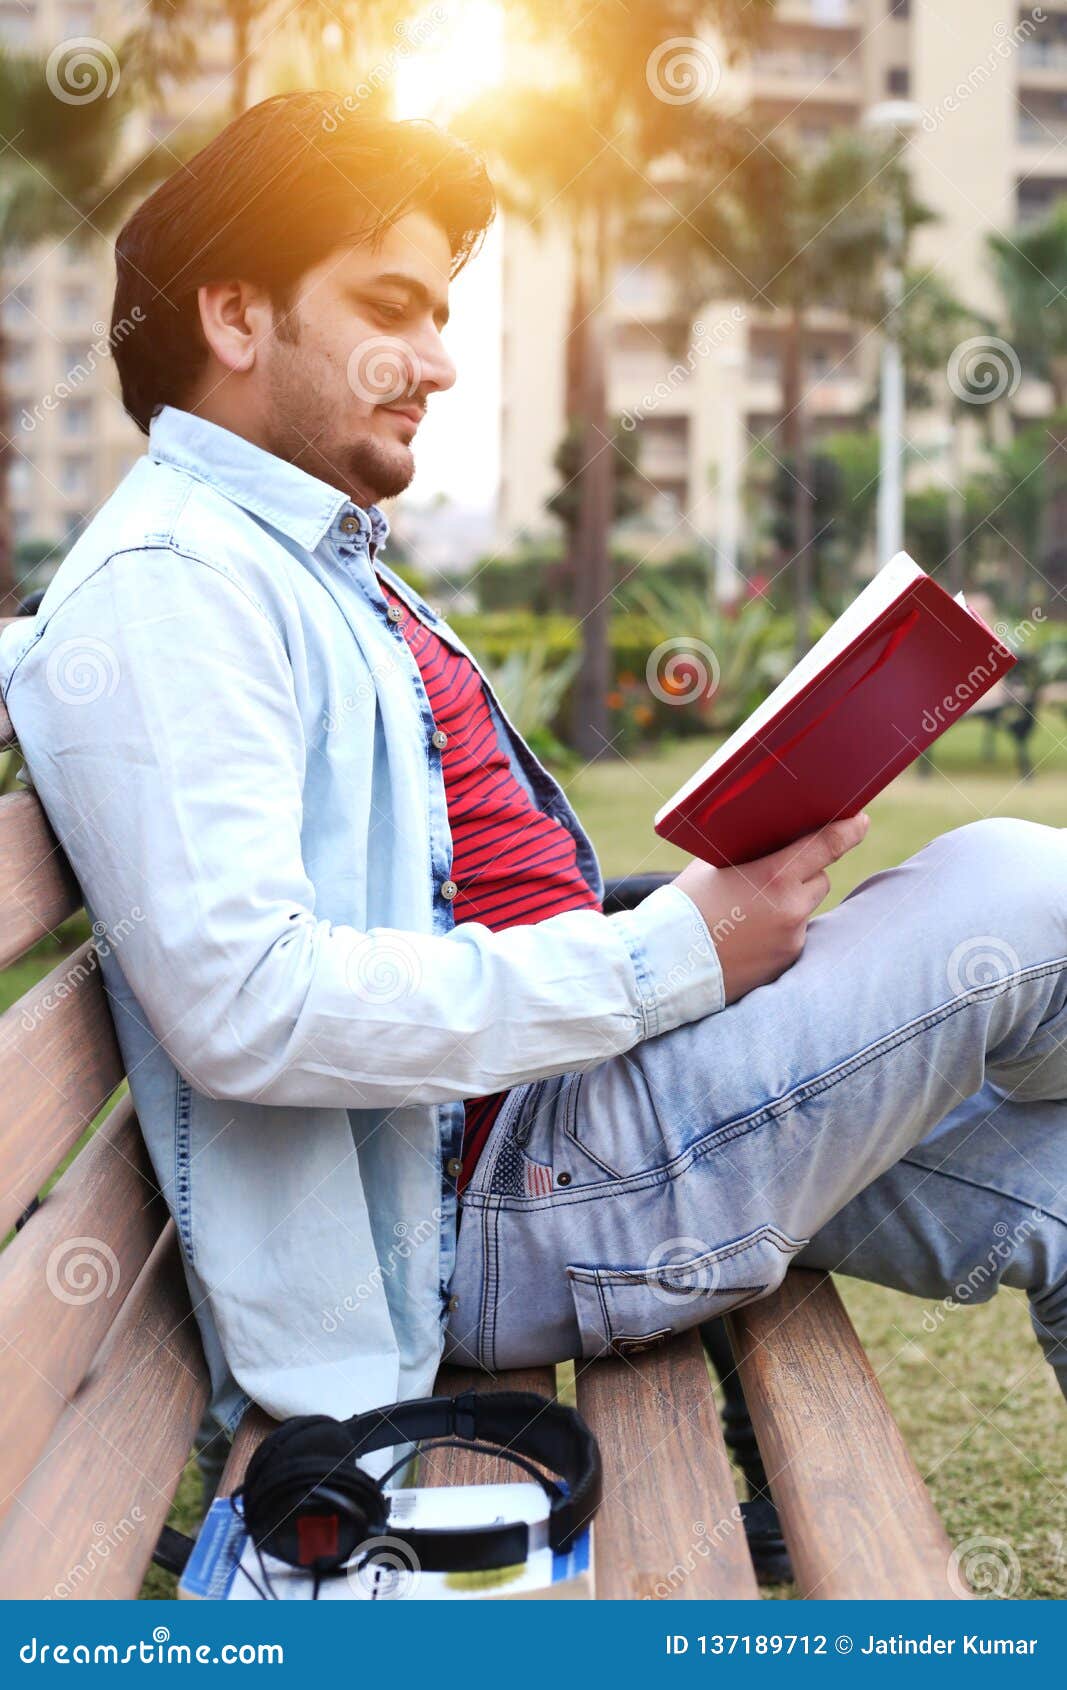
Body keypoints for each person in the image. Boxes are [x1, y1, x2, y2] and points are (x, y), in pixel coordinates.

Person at [2, 96, 1064, 1448]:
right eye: (393, 308)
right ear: (236, 316)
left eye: (443, 317)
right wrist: (671, 956)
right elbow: (247, 1002)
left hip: (572, 1109)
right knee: (1025, 890)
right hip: (492, 1197)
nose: (439, 365)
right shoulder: (175, 583)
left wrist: (675, 927)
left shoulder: (278, 559)